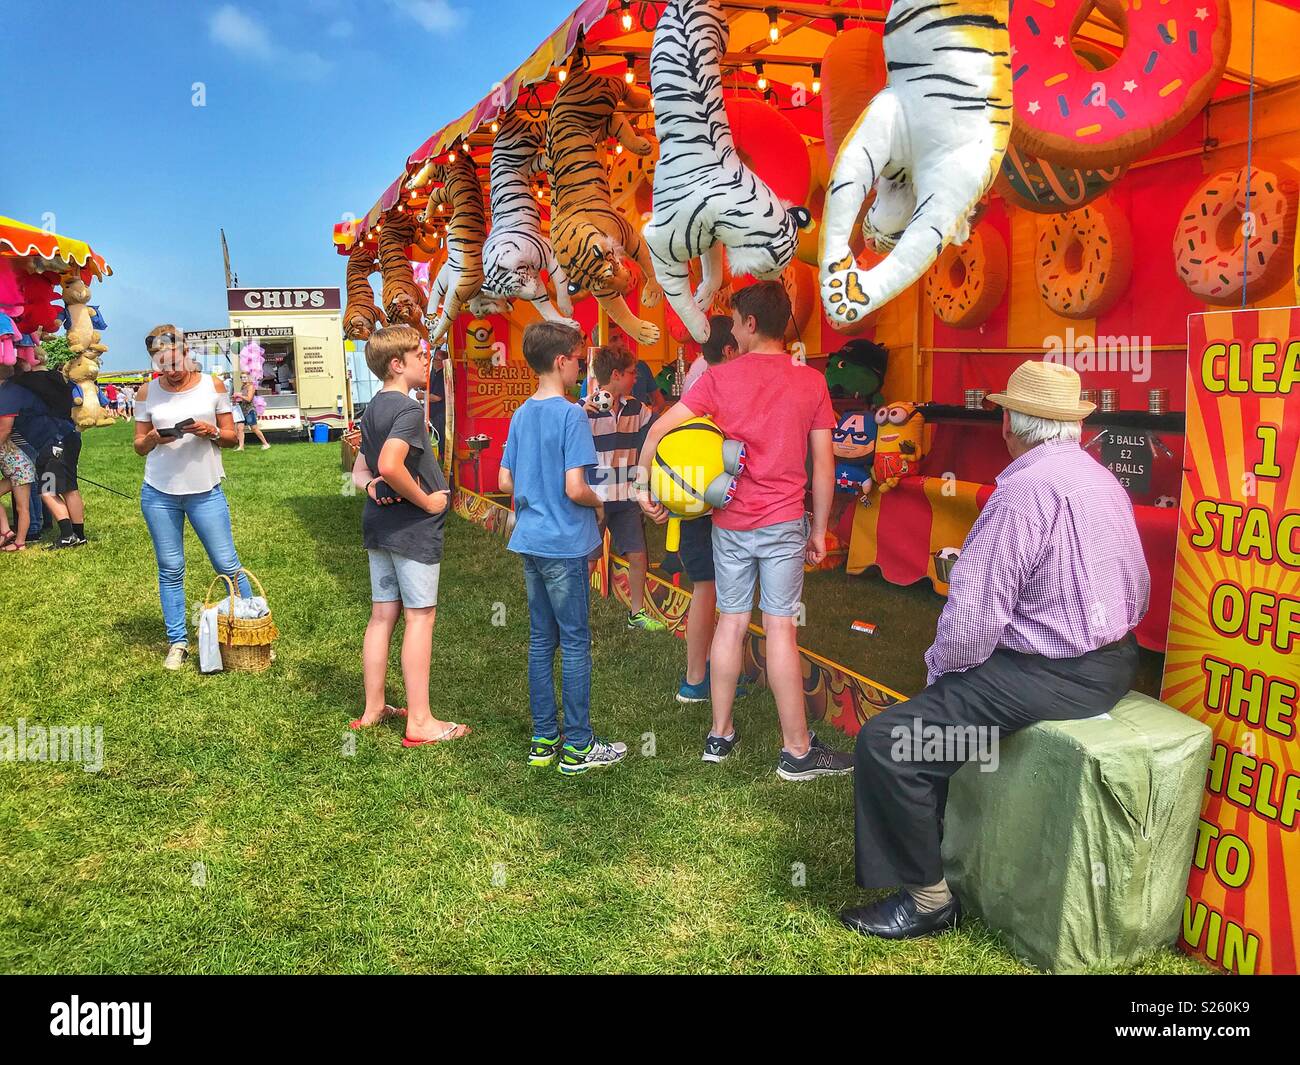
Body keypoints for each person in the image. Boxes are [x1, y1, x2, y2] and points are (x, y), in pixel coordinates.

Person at [839, 361, 1151, 941]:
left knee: (890, 743)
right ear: (1072, 426)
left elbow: (971, 624)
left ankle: (928, 900)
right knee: (947, 708)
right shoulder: (1098, 477)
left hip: (1051, 674)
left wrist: (940, 678)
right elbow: (1137, 584)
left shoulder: (1023, 491)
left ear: (1008, 420)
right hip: (1114, 661)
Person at [638, 281, 845, 780]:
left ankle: (719, 734)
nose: (729, 329)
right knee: (780, 629)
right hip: (783, 522)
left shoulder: (719, 379)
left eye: (733, 321)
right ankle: (796, 751)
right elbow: (823, 462)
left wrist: (643, 484)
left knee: (730, 623)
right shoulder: (810, 381)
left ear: (751, 324)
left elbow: (659, 429)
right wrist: (819, 528)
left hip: (729, 522)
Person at [499, 321, 627, 776]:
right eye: (577, 359)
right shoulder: (572, 414)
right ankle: (578, 745)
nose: (580, 367)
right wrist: (602, 500)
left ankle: (543, 739)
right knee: (574, 641)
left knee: (540, 640)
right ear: (561, 361)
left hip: (531, 540)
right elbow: (576, 487)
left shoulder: (520, 414)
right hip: (563, 543)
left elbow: (504, 481)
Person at [347, 325, 469, 746]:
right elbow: (391, 463)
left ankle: (374, 706)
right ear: (397, 364)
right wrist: (426, 501)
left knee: (383, 615)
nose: (426, 359)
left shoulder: (371, 408)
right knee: (420, 617)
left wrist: (370, 487)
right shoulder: (410, 410)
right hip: (412, 530)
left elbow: (364, 468)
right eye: (418, 354)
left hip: (379, 527)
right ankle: (420, 721)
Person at [134, 325, 252, 670]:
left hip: (205, 491)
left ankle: (253, 627)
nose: (170, 371)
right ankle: (177, 642)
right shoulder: (146, 393)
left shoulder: (212, 385)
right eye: (162, 365)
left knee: (227, 564)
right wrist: (154, 438)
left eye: (175, 362)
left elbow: (231, 438)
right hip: (159, 492)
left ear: (187, 354)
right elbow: (138, 446)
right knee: (170, 568)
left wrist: (212, 431)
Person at [672, 316, 741, 702]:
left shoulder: (697, 387)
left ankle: (708, 671)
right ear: (730, 350)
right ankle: (697, 678)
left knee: (711, 590)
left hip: (693, 504)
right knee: (712, 590)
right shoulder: (718, 390)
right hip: (710, 508)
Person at [584, 343, 665, 632]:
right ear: (616, 375)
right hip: (595, 499)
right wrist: (580, 412)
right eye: (632, 372)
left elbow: (660, 424)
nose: (636, 377)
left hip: (627, 497)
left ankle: (636, 614)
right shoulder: (586, 410)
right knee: (590, 559)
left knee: (638, 554)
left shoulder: (636, 407)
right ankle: (577, 618)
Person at [0, 357, 86, 549]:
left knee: (48, 490)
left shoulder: (7, 392)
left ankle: (67, 535)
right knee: (69, 488)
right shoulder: (25, 387)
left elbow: (5, 429)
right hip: (69, 434)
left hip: (52, 442)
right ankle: (79, 535)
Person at [0, 431, 34, 551]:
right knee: (22, 508)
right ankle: (5, 531)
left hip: (22, 472)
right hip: (12, 473)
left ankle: (20, 543)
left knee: (22, 508)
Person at [235, 372, 270, 452]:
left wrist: (239, 395)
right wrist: (236, 399)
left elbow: (249, 399)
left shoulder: (251, 387)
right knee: (240, 428)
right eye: (241, 377)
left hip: (249, 410)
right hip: (242, 410)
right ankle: (241, 447)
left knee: (254, 428)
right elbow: (243, 399)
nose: (243, 379)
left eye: (245, 377)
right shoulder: (243, 386)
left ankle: (265, 443)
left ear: (248, 378)